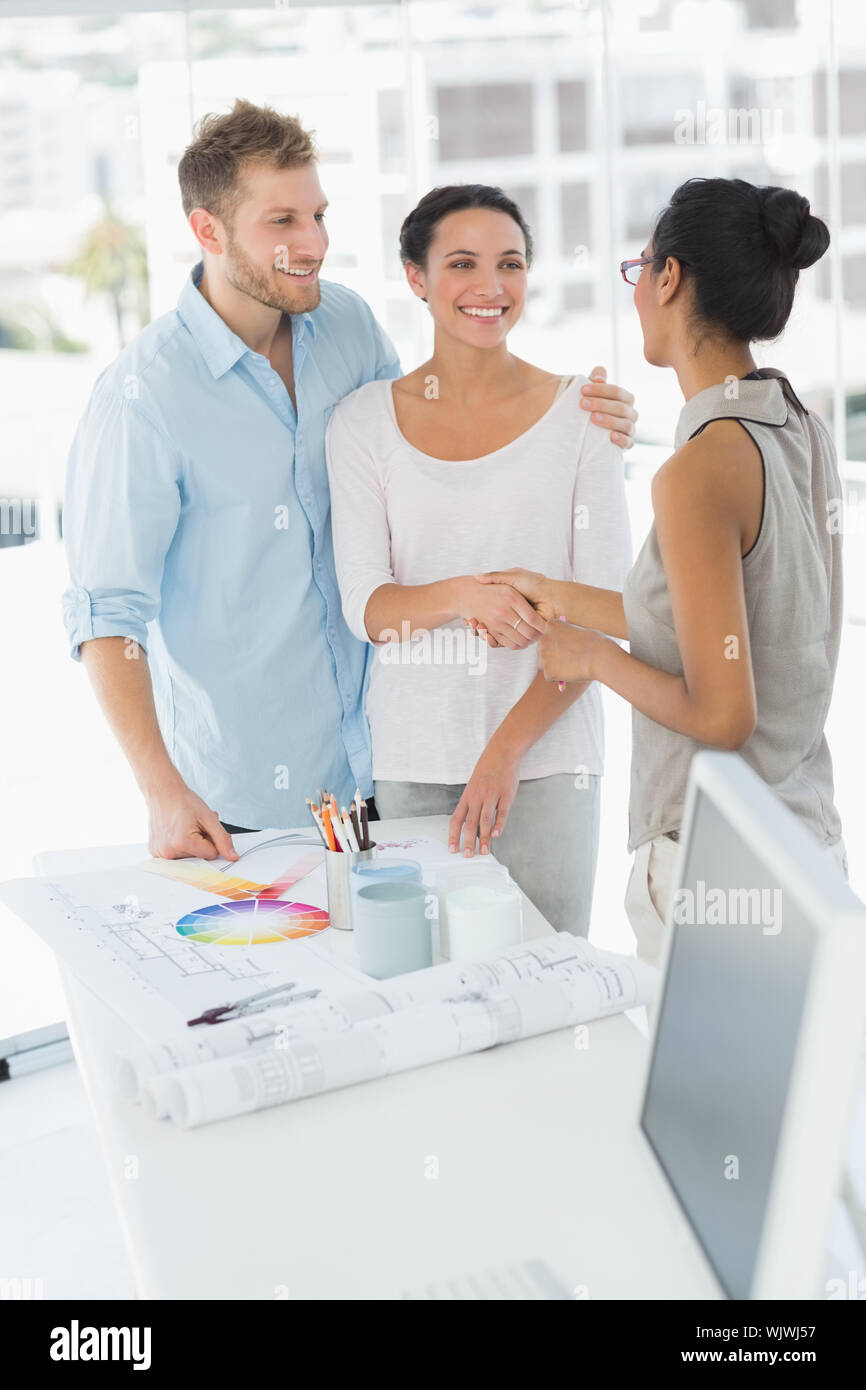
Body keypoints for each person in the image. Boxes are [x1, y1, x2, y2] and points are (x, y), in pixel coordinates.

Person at [480, 178, 847, 964]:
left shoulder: (695, 469)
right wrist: (561, 595)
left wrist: (590, 657)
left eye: (638, 268)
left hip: (713, 864)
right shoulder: (800, 430)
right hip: (806, 846)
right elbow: (713, 621)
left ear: (669, 277)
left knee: (692, 1089)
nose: (638, 289)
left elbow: (723, 716)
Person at [62, 99, 403, 861]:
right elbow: (105, 615)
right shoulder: (142, 397)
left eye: (318, 214)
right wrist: (160, 789)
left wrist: (567, 413)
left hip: (394, 772)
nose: (313, 242)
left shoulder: (349, 327)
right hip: (247, 808)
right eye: (281, 221)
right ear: (208, 231)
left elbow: (417, 463)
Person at [325, 184, 636, 935]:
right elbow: (368, 609)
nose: (491, 287)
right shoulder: (363, 421)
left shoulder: (582, 415)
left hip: (549, 762)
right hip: (413, 759)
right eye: (462, 263)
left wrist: (505, 750)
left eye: (512, 264)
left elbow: (604, 620)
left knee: (554, 982)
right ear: (416, 278)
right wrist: (466, 595)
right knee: (424, 988)